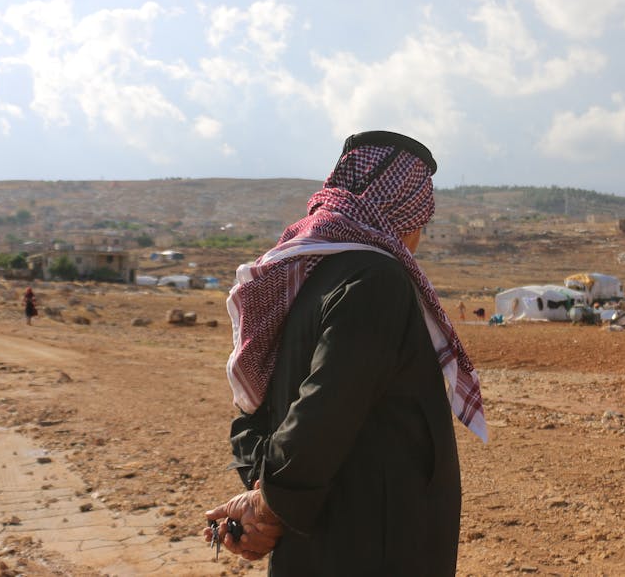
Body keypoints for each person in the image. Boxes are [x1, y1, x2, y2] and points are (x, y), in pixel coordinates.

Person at [205, 131, 486, 575]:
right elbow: (324, 407)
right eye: (421, 224)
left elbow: (258, 408)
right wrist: (268, 505)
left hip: (321, 531)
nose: (419, 238)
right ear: (405, 218)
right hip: (373, 541)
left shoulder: (304, 275)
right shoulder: (377, 279)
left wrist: (263, 503)